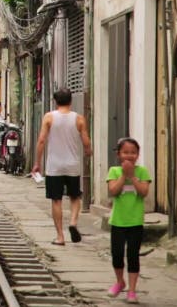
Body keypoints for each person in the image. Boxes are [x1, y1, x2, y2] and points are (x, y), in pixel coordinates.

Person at [31, 88, 92, 245]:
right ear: (71, 101)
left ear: (55, 101)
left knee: (56, 200)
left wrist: (37, 162)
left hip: (54, 166)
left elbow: (41, 141)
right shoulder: (79, 119)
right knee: (74, 196)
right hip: (73, 165)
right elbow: (86, 142)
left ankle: (60, 237)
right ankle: (72, 222)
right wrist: (88, 152)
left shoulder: (49, 117)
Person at [106, 137, 151, 304]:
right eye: (125, 152)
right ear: (119, 154)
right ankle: (120, 282)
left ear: (138, 154)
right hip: (118, 221)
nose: (129, 156)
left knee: (133, 256)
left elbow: (143, 192)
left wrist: (132, 176)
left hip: (135, 222)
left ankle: (132, 290)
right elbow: (113, 191)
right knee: (117, 255)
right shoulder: (114, 171)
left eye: (133, 152)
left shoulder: (143, 172)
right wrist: (124, 175)